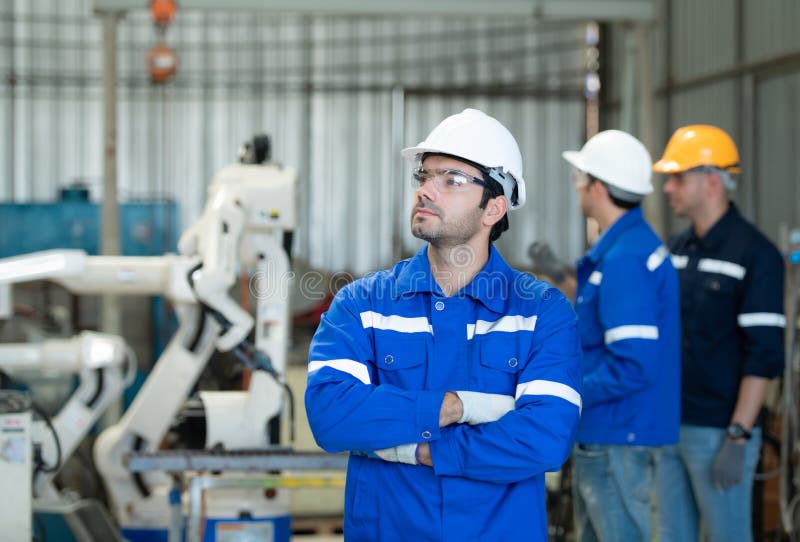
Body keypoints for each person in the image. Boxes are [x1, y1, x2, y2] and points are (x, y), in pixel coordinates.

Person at [304, 108, 583, 541]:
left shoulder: (541, 312)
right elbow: (330, 417)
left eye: (451, 179)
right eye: (424, 176)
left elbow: (545, 438)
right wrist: (460, 407)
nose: (425, 191)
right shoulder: (362, 303)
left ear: (494, 207)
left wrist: (419, 449)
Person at [653, 124, 785, 542]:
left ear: (712, 180)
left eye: (677, 177)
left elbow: (763, 355)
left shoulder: (756, 255)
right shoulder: (676, 250)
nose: (668, 188)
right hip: (670, 424)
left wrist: (739, 434)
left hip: (718, 432)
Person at [561, 130, 681, 542]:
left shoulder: (625, 259)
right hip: (614, 432)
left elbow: (633, 364)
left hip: (616, 434)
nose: (577, 187)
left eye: (581, 178)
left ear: (597, 186)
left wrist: (568, 393)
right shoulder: (625, 249)